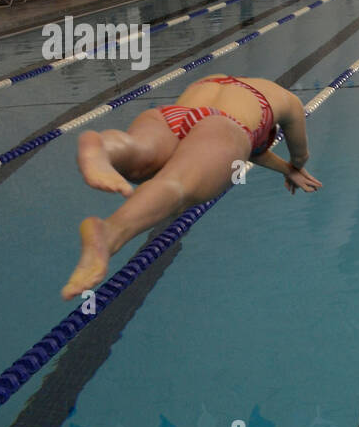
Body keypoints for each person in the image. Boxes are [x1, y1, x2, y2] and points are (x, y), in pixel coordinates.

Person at [61, 74, 322, 300]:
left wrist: (281, 167)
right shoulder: (287, 101)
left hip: (170, 117)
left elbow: (243, 144)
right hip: (225, 126)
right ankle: (109, 233)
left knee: (138, 154)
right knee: (176, 185)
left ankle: (103, 148)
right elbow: (299, 155)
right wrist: (294, 168)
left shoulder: (213, 82)